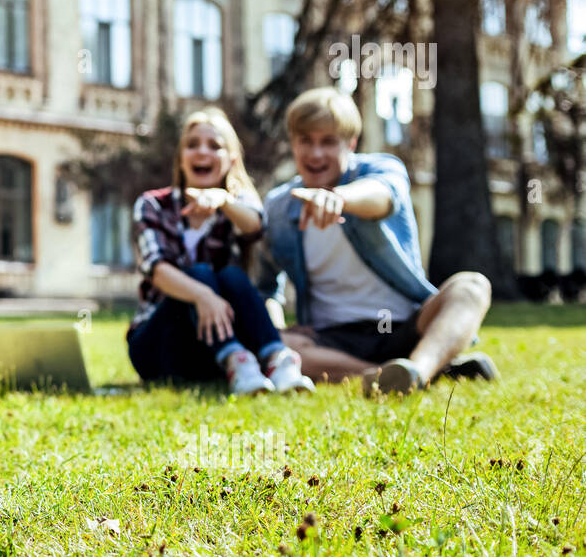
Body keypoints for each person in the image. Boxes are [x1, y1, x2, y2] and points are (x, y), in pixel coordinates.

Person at [257, 87, 497, 395]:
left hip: (404, 326)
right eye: (306, 141)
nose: (316, 154)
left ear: (351, 143)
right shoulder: (278, 207)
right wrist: (274, 329)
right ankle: (402, 374)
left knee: (472, 286)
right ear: (293, 143)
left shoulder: (381, 169)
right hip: (330, 340)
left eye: (328, 142)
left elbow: (384, 195)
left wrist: (339, 199)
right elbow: (265, 288)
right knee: (270, 341)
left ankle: (418, 370)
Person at [127, 108, 315, 395]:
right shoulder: (153, 205)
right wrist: (204, 296)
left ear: (232, 160)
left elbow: (255, 225)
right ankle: (235, 359)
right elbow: (157, 270)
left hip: (209, 345)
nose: (202, 151)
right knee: (201, 272)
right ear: (181, 158)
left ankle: (276, 359)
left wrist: (223, 201)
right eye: (192, 145)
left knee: (231, 275)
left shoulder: (236, 207)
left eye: (214, 146)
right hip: (159, 343)